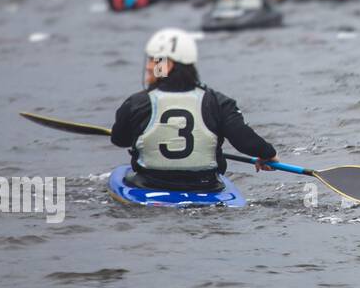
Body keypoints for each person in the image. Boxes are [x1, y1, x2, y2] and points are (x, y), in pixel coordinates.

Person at [110, 28, 278, 192]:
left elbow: (120, 139)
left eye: (154, 60)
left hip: (150, 184)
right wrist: (267, 153)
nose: (148, 66)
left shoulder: (137, 103)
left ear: (166, 65)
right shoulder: (218, 102)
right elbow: (244, 140)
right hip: (205, 185)